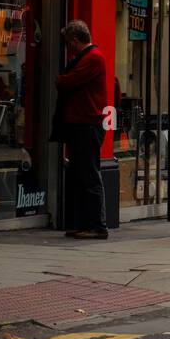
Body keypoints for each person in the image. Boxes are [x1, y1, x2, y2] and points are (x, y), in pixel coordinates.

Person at [54, 20, 109, 240]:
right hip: (81, 124)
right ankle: (85, 223)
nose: (68, 48)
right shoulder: (87, 58)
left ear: (75, 41)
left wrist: (61, 78)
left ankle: (98, 225)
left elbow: (66, 82)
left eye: (68, 44)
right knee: (81, 175)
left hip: (87, 125)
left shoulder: (93, 58)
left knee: (89, 175)